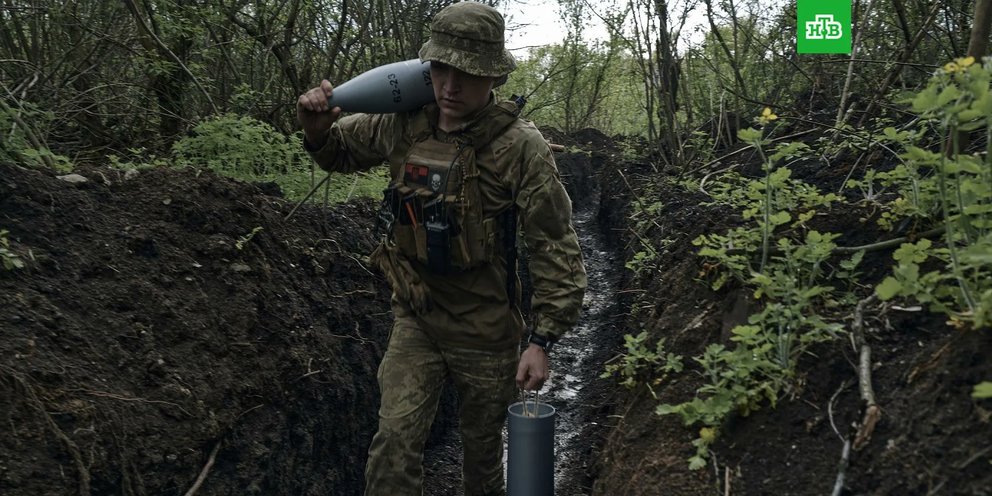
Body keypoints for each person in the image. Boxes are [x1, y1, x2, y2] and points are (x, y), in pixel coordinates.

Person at [296, 2, 586, 494]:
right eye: (441, 69)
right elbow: (340, 152)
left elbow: (554, 244)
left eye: (467, 74)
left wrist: (542, 341)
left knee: (482, 461)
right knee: (392, 444)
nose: (451, 86)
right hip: (418, 316)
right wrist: (316, 130)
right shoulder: (403, 123)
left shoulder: (520, 147)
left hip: (487, 330)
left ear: (493, 76)